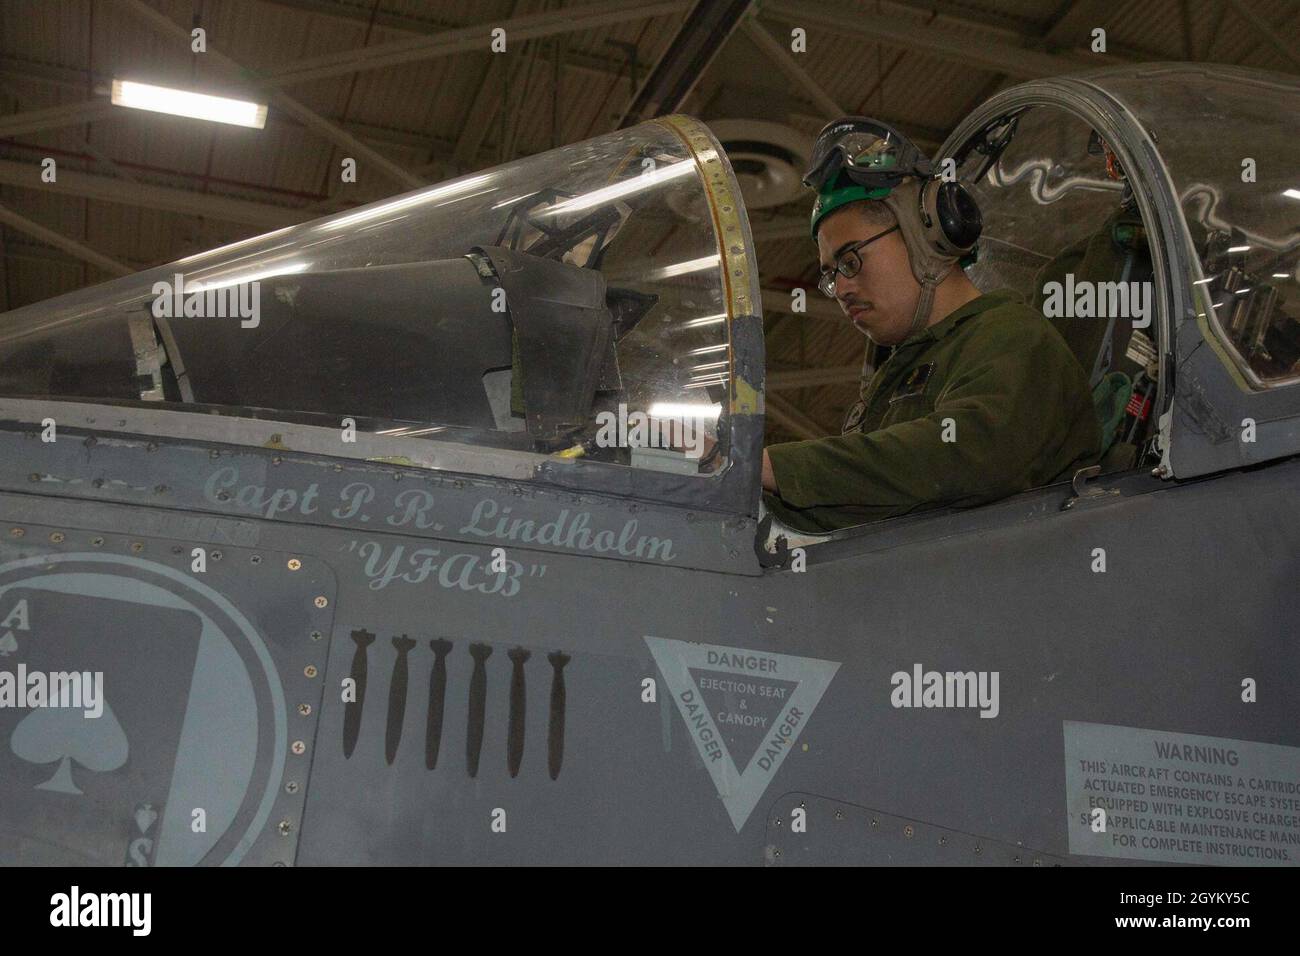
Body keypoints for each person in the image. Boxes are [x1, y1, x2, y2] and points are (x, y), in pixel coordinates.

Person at [761, 117, 1100, 533]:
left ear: (924, 233)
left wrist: (773, 467)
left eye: (850, 259)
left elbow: (967, 455)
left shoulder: (1012, 337)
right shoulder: (899, 374)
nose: (842, 287)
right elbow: (862, 501)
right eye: (832, 275)